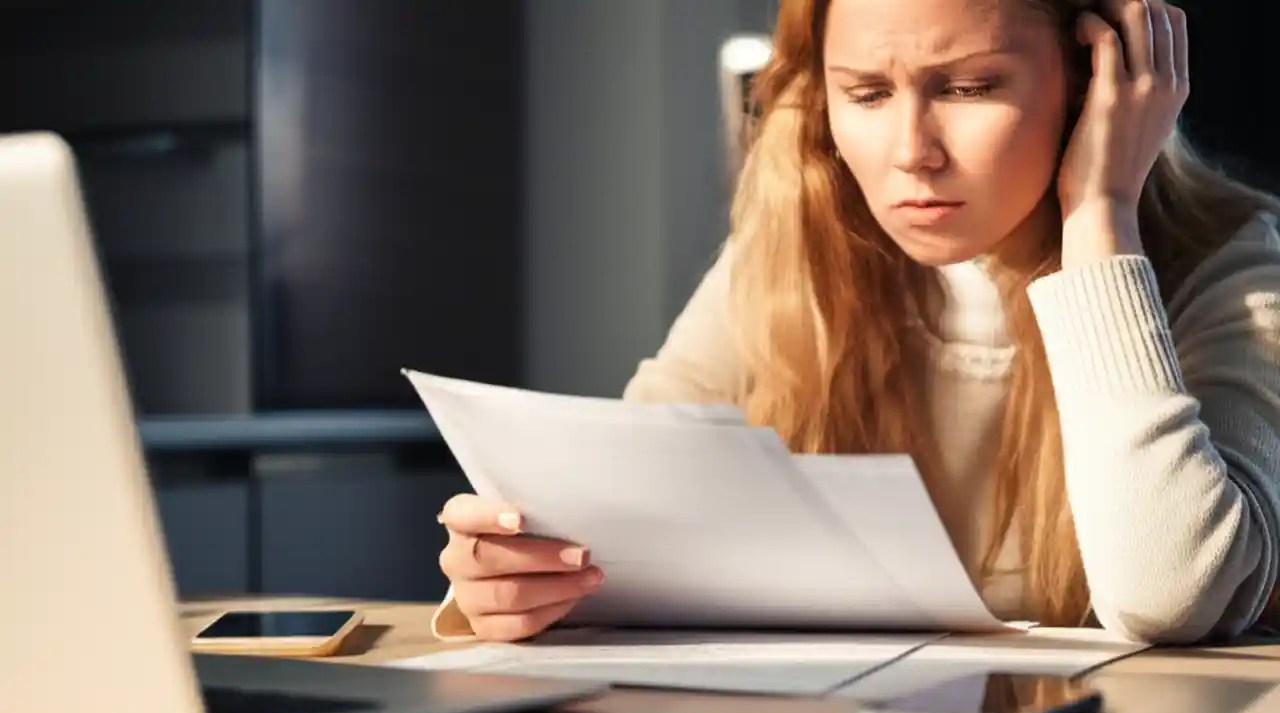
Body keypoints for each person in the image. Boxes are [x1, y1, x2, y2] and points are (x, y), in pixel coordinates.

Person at [433, 0, 1280, 644]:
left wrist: (1100, 210)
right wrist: (520, 574)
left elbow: (1171, 590)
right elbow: (613, 509)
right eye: (867, 93)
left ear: (1098, 84)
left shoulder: (1235, 266)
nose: (912, 150)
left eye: (970, 86)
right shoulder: (799, 245)